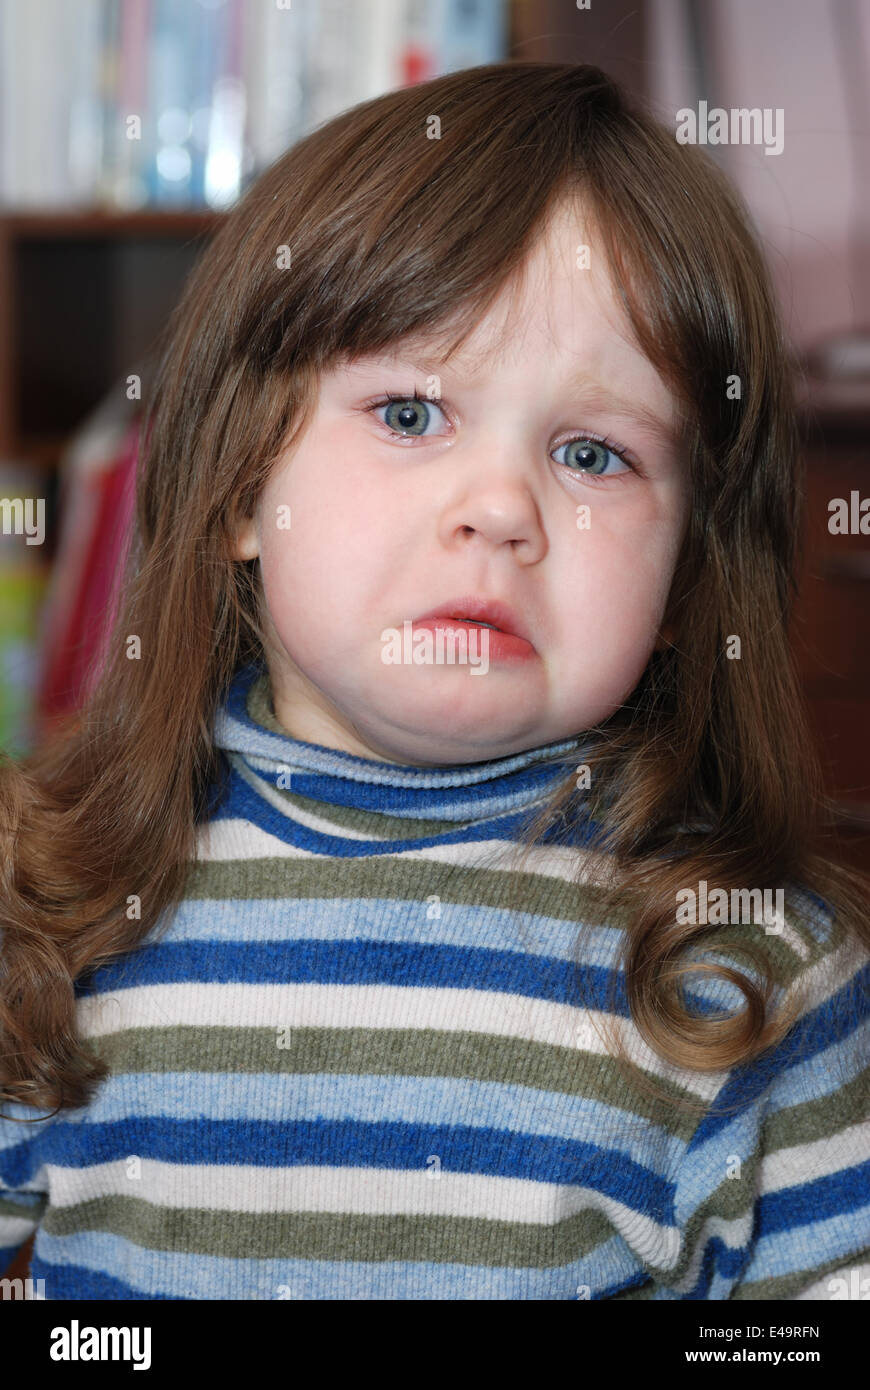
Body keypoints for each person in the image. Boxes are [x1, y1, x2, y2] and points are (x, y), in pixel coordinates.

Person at [1, 61, 867, 1301]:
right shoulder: (53, 905)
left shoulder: (758, 971)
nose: (501, 509)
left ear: (683, 583)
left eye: (592, 453)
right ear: (245, 483)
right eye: (410, 414)